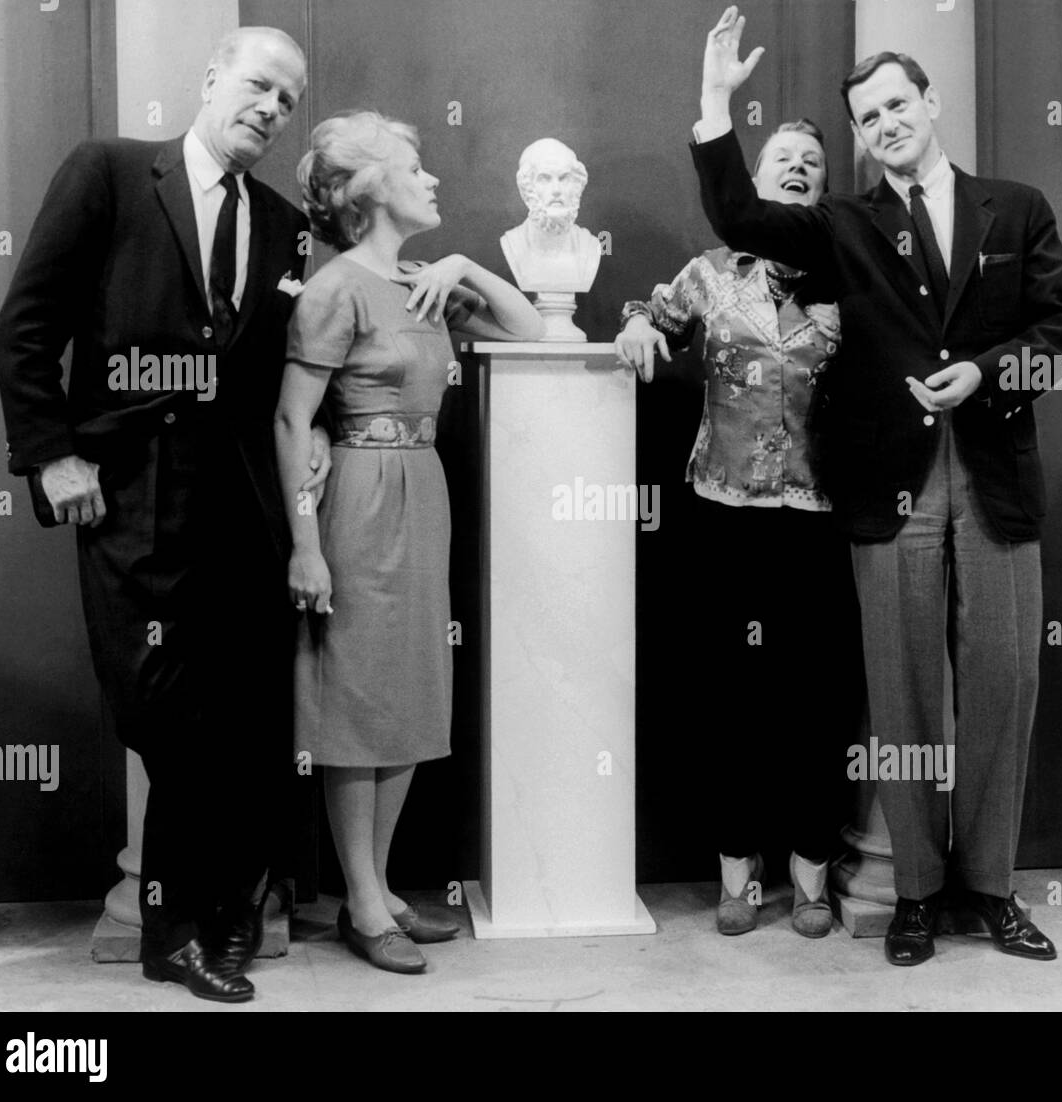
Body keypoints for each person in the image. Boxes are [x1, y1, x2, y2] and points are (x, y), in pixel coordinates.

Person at [689, 7, 1062, 965]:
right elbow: (740, 217)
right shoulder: (843, 223)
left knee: (1003, 682)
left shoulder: (1017, 206)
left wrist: (989, 371)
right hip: (887, 486)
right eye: (867, 119)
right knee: (901, 694)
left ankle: (990, 889)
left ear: (931, 102)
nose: (885, 125)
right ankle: (914, 894)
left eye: (897, 105)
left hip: (992, 475)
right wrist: (714, 104)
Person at [0, 27, 329, 1003]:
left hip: (239, 509)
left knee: (239, 727)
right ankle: (194, 913)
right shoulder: (107, 172)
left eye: (287, 101)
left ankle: (194, 930)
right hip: (129, 497)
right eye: (260, 86)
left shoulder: (283, 223)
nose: (271, 108)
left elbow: (273, 373)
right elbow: (26, 325)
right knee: (167, 719)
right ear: (213, 75)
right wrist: (51, 453)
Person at [276, 111, 542, 974]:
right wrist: (305, 546)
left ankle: (380, 887)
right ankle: (361, 901)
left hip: (424, 494)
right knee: (354, 699)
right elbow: (291, 420)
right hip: (354, 497)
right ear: (366, 190)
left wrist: (465, 264)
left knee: (407, 698)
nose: (432, 180)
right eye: (415, 165)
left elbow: (533, 330)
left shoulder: (429, 282)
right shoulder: (335, 288)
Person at [615, 119, 863, 938]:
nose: (797, 168)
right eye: (781, 159)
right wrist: (641, 325)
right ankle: (735, 869)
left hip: (820, 520)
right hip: (724, 514)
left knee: (817, 699)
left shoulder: (849, 274)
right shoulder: (712, 273)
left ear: (823, 189)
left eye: (812, 163)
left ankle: (811, 871)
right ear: (751, 183)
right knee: (730, 695)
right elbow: (652, 313)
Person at [500, 137, 601, 292]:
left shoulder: (590, 247)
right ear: (527, 188)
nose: (556, 190)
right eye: (544, 179)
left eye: (564, 179)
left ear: (576, 186)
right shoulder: (513, 244)